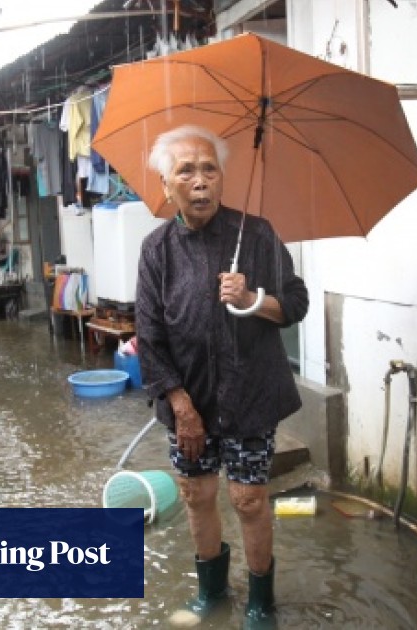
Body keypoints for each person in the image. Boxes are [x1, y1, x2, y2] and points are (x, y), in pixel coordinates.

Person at [135, 125, 308, 628]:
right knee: (196, 493)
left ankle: (260, 603)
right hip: (188, 397)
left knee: (249, 498)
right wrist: (180, 406)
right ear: (167, 186)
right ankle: (212, 594)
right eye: (186, 171)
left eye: (209, 168)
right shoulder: (156, 249)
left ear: (222, 178)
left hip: (251, 392)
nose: (200, 180)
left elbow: (296, 303)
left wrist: (253, 299)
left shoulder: (256, 234)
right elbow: (149, 332)